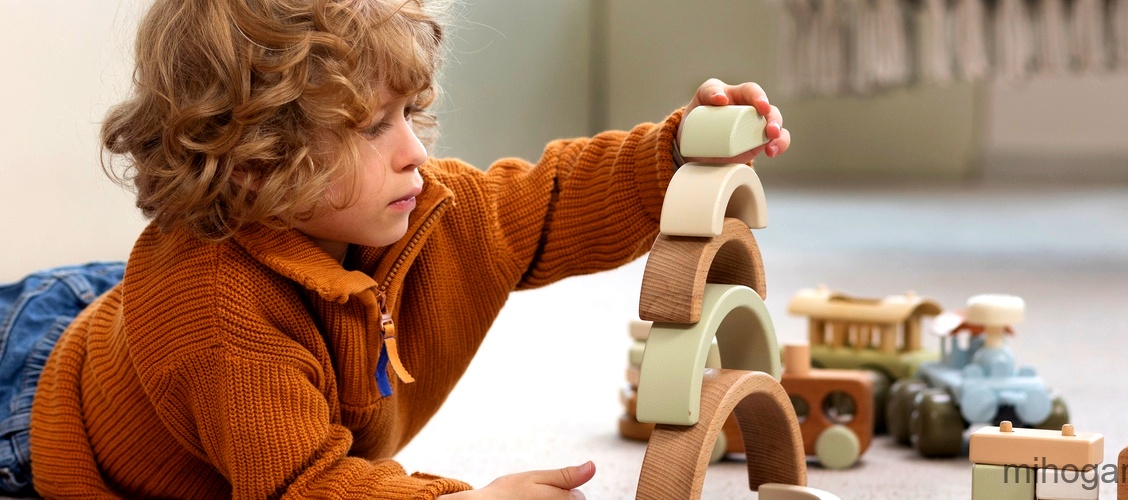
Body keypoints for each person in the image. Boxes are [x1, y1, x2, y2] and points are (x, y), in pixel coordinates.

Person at [2, 0, 790, 498]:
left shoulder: (417, 207)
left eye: (411, 111)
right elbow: (303, 486)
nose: (415, 148)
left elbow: (544, 204)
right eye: (373, 126)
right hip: (33, 393)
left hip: (115, 314)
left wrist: (672, 154)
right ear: (255, 161)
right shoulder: (213, 317)